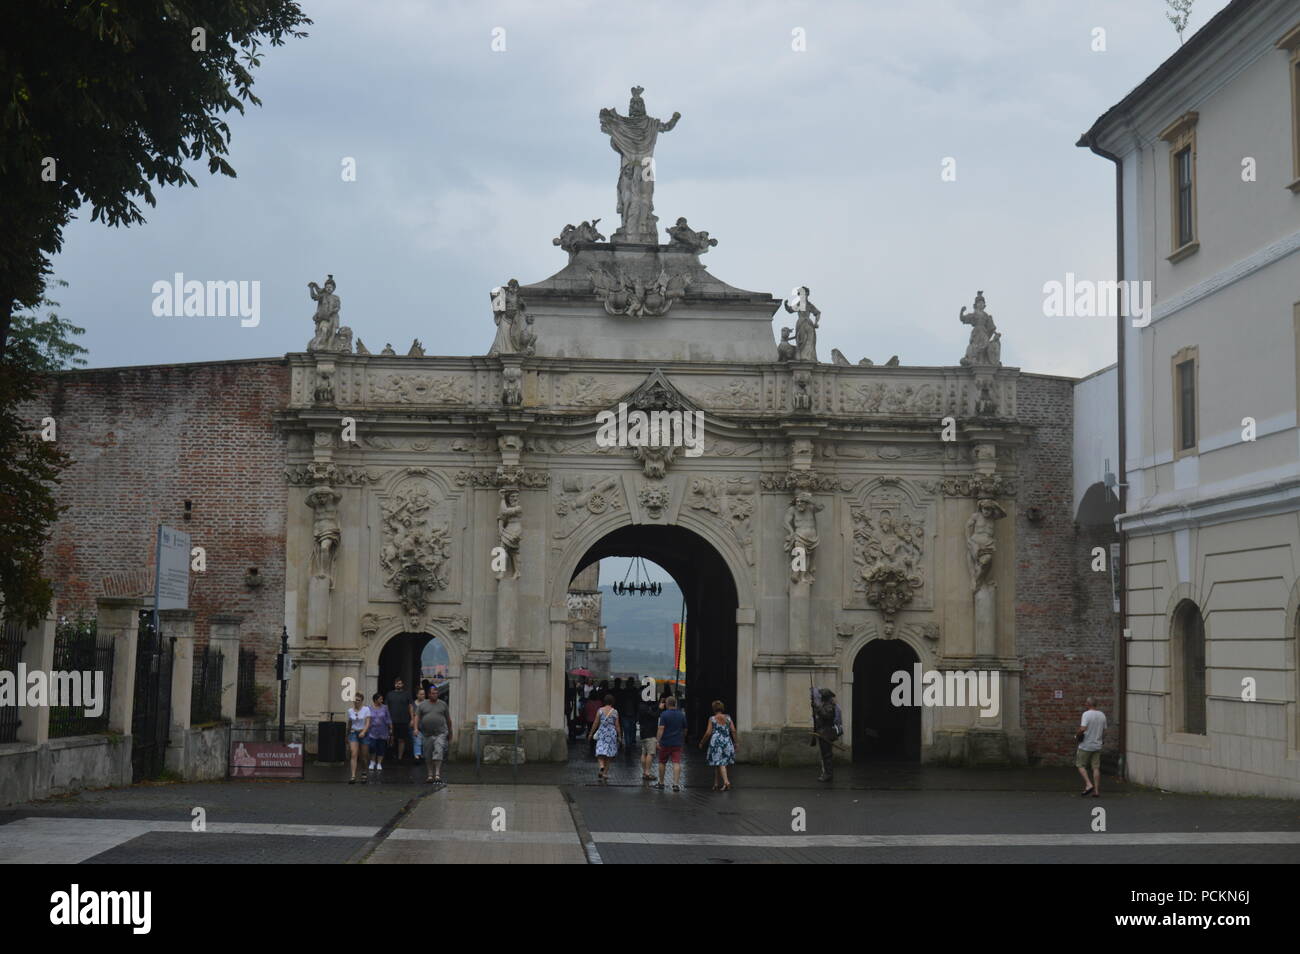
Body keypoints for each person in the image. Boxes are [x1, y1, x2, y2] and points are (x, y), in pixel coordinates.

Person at [416, 684, 452, 787]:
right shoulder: (422, 705)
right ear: (429, 694)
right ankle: (430, 774)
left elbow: (448, 719)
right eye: (433, 693)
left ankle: (437, 774)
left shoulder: (443, 704)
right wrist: (415, 728)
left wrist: (450, 731)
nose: (435, 695)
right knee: (428, 754)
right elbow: (417, 717)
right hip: (427, 734)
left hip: (440, 733)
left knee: (438, 751)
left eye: (436, 693)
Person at [700, 699, 738, 791]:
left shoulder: (712, 719)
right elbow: (733, 730)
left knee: (719, 762)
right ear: (722, 708)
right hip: (726, 741)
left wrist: (702, 742)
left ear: (713, 709)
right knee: (720, 763)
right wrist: (736, 742)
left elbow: (708, 733)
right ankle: (716, 784)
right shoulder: (728, 718)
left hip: (716, 742)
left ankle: (726, 782)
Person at [1076, 696, 1107, 798]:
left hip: (1086, 745)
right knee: (1096, 767)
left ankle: (1089, 784)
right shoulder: (1102, 715)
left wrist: (1077, 734)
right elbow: (1104, 731)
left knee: (1080, 765)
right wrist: (1101, 740)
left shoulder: (1086, 714)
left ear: (1088, 704)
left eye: (1086, 703)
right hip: (1097, 745)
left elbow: (1083, 728)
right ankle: (1096, 791)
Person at [655, 696, 687, 791]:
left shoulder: (664, 714)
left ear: (667, 704)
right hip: (677, 742)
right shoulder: (681, 714)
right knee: (676, 762)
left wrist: (658, 740)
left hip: (665, 742)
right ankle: (676, 784)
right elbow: (685, 728)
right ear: (675, 704)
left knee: (662, 762)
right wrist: (682, 738)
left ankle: (661, 783)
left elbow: (661, 728)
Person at [590, 693, 620, 782]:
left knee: (600, 751)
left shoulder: (600, 710)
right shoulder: (615, 712)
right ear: (612, 702)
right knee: (609, 754)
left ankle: (601, 765)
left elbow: (596, 722)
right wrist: (620, 736)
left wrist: (591, 733)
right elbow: (617, 725)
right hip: (611, 733)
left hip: (602, 732)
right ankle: (605, 773)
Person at [813, 689, 838, 782]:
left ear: (825, 697)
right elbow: (820, 715)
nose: (820, 697)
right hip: (822, 732)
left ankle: (828, 774)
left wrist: (818, 708)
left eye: (822, 696)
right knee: (824, 754)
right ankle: (826, 773)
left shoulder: (830, 706)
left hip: (827, 732)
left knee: (827, 755)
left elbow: (827, 716)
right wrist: (815, 708)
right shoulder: (824, 705)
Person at [346, 692, 371, 784]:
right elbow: (349, 723)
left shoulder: (366, 709)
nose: (356, 701)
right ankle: (353, 776)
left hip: (363, 733)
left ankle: (364, 772)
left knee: (364, 756)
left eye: (358, 700)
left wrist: (364, 732)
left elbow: (368, 722)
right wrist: (347, 734)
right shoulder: (350, 711)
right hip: (353, 733)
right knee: (353, 753)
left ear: (361, 701)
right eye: (355, 700)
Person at [387, 678, 413, 763]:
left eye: (400, 683)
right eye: (397, 683)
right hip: (392, 721)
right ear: (394, 684)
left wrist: (412, 719)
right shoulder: (390, 694)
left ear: (402, 684)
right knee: (391, 738)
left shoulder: (407, 694)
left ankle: (400, 758)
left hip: (403, 720)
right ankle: (392, 755)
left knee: (401, 739)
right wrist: (387, 719)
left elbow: (410, 707)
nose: (398, 685)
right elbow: (386, 708)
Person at [367, 692, 392, 775]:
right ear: (375, 700)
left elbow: (388, 718)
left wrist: (391, 728)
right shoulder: (369, 708)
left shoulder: (385, 707)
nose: (382, 700)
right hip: (372, 731)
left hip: (383, 730)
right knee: (372, 746)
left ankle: (379, 763)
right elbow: (367, 719)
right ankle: (372, 761)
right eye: (380, 699)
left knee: (381, 747)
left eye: (382, 699)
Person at [637, 697, 660, 781]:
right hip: (650, 732)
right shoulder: (647, 708)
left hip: (643, 732)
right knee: (650, 753)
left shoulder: (641, 706)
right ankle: (647, 773)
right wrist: (659, 709)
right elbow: (655, 715)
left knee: (644, 753)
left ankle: (644, 772)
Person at [617, 678, 639, 753]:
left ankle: (628, 745)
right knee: (632, 730)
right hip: (632, 714)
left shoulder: (623, 692)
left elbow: (620, 704)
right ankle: (631, 743)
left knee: (626, 731)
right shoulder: (635, 692)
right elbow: (637, 704)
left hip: (624, 714)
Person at [411, 688, 426, 760]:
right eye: (421, 694)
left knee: (424, 742)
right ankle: (417, 756)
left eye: (424, 694)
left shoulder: (427, 703)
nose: (423, 695)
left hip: (426, 726)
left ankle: (422, 755)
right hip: (416, 726)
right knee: (417, 741)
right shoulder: (413, 704)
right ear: (417, 695)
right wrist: (412, 721)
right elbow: (412, 714)